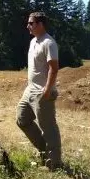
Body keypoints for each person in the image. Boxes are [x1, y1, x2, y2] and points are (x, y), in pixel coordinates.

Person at [16, 12, 62, 170]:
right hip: (30, 91)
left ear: (40, 24)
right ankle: (45, 152)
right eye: (28, 23)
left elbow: (54, 69)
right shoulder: (33, 42)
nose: (27, 26)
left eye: (31, 23)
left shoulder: (49, 43)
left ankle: (55, 163)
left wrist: (47, 90)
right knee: (21, 119)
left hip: (42, 93)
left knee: (48, 128)